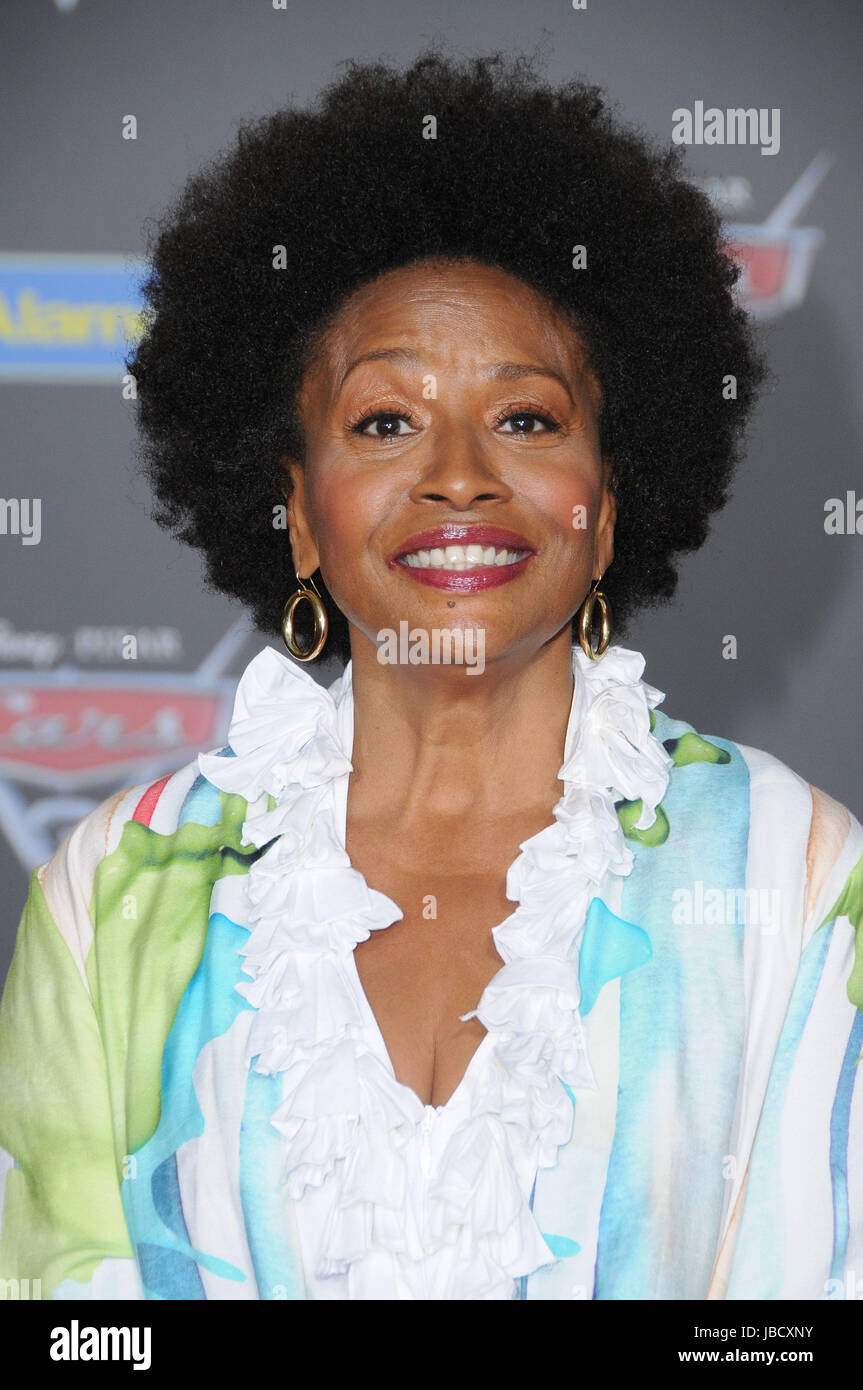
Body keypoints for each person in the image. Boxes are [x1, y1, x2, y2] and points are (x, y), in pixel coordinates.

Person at [0, 49, 860, 1303]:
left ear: (606, 508)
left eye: (524, 419)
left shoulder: (793, 875)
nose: (459, 472)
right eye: (384, 421)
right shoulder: (114, 898)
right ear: (295, 513)